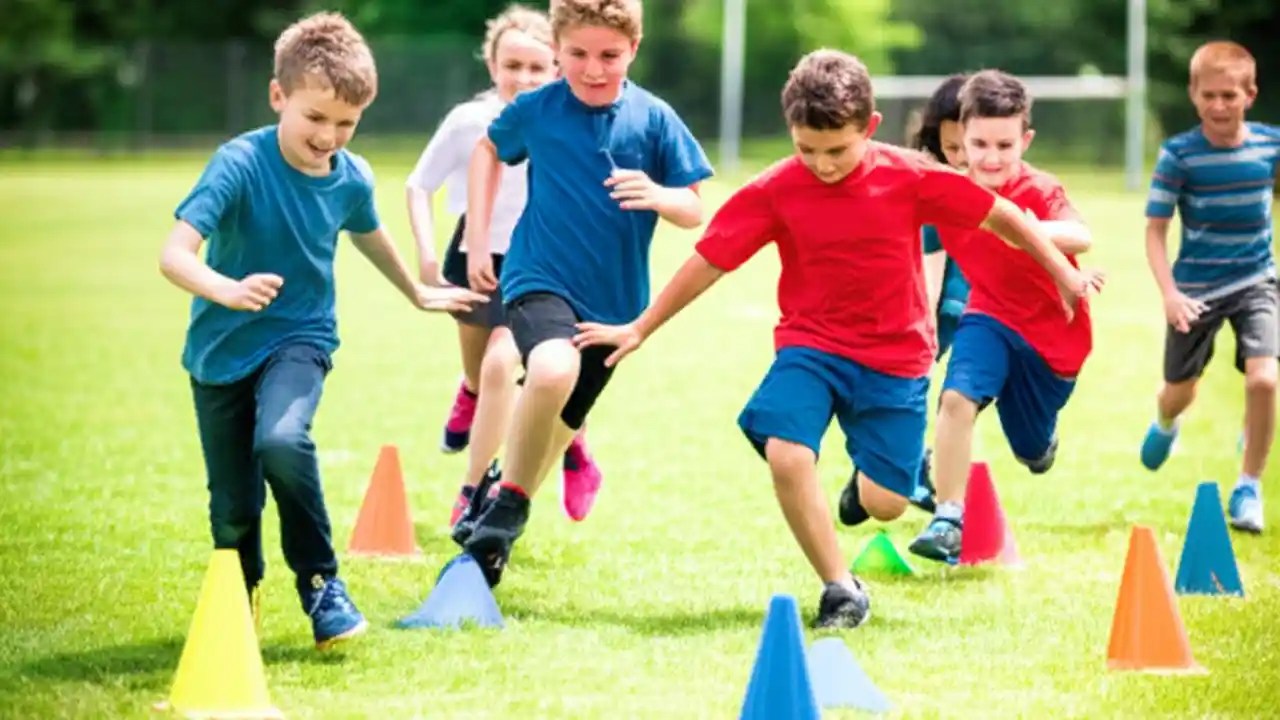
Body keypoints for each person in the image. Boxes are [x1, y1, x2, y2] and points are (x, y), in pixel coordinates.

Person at [574, 50, 1093, 627]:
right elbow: (710, 260)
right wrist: (641, 326)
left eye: (837, 150)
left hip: (897, 360)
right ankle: (841, 587)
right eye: (807, 150)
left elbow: (1007, 217)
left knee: (885, 503)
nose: (821, 165)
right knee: (787, 452)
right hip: (812, 347)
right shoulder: (777, 189)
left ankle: (867, 478)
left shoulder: (909, 175)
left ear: (869, 129)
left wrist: (1064, 272)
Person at [158, 11, 485, 648]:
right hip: (219, 351)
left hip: (300, 340)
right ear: (278, 96)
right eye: (315, 118)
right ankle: (238, 607)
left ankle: (321, 586)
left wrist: (417, 290)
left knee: (282, 440)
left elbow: (368, 231)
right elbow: (174, 254)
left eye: (346, 124)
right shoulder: (239, 164)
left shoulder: (351, 175)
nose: (329, 136)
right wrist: (226, 289)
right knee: (232, 510)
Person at [454, 0, 715, 587]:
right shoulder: (537, 110)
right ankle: (507, 509)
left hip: (615, 306)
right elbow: (489, 149)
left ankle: (496, 511)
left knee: (559, 430)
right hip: (537, 275)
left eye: (609, 56)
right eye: (576, 55)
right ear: (557, 50)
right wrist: (476, 239)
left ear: (634, 51)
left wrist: (658, 193)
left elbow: (694, 206)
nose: (593, 69)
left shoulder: (653, 119)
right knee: (550, 370)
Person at [404, 5, 604, 527]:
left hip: (538, 263)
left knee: (503, 366)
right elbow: (417, 186)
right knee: (480, 373)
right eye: (512, 65)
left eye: (537, 68)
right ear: (491, 66)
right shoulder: (468, 121)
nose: (524, 77)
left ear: (557, 68)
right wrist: (429, 257)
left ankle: (474, 493)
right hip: (473, 257)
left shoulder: (568, 122)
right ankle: (530, 421)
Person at [906, 70, 1103, 564]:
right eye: (978, 144)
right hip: (988, 317)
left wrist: (1024, 229)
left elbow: (1081, 236)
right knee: (955, 399)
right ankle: (948, 516)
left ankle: (1041, 442)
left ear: (1025, 140)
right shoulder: (948, 193)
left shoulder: (1039, 189)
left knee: (1031, 452)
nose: (991, 158)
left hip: (1052, 342)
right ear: (959, 139)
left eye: (1004, 145)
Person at [1138, 40, 1279, 534]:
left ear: (1250, 94)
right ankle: (1165, 420)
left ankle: (1248, 486)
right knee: (1180, 391)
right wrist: (1170, 295)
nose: (1219, 106)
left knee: (1264, 379)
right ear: (1194, 95)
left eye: (1229, 95)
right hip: (1195, 289)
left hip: (1257, 280)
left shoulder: (1269, 145)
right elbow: (1155, 230)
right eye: (1209, 95)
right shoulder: (1180, 155)